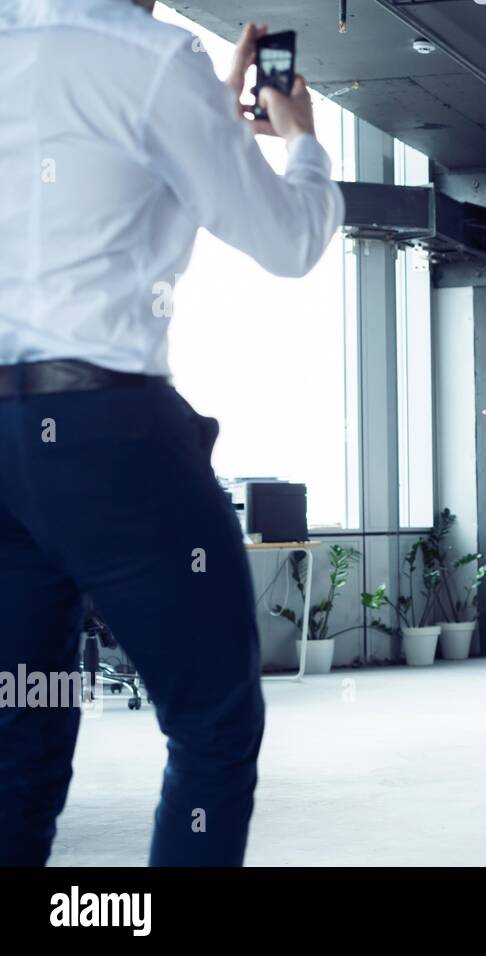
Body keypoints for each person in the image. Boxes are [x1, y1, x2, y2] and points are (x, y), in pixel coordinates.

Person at [0, 0, 342, 865]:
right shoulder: (154, 59)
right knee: (212, 718)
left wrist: (205, 114)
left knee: (21, 727)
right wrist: (301, 138)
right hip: (106, 428)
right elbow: (290, 240)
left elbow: (90, 174)